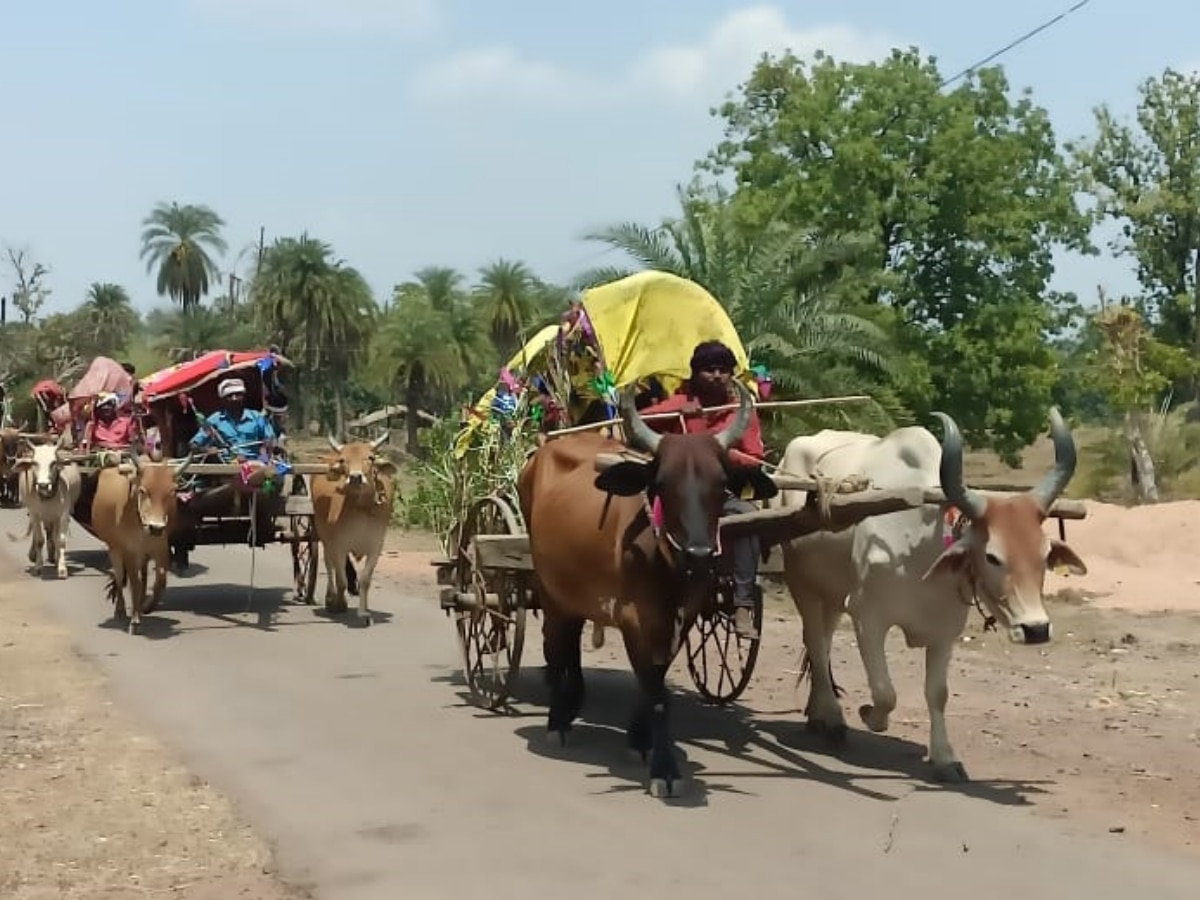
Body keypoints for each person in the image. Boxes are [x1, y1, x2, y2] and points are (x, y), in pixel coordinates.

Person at [636, 340, 767, 640]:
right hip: (676, 498)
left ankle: (743, 604)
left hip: (718, 495)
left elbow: (755, 460)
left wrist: (715, 453)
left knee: (748, 518)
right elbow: (640, 424)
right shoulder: (680, 405)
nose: (718, 375)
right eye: (710, 370)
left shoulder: (740, 413)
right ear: (695, 374)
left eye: (724, 370)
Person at [189, 377, 276, 461]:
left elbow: (270, 440)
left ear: (244, 396)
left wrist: (264, 454)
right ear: (222, 400)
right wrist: (206, 450)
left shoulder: (257, 418)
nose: (234, 398)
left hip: (255, 466)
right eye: (229, 395)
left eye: (238, 394)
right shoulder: (215, 420)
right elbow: (194, 444)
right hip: (225, 467)